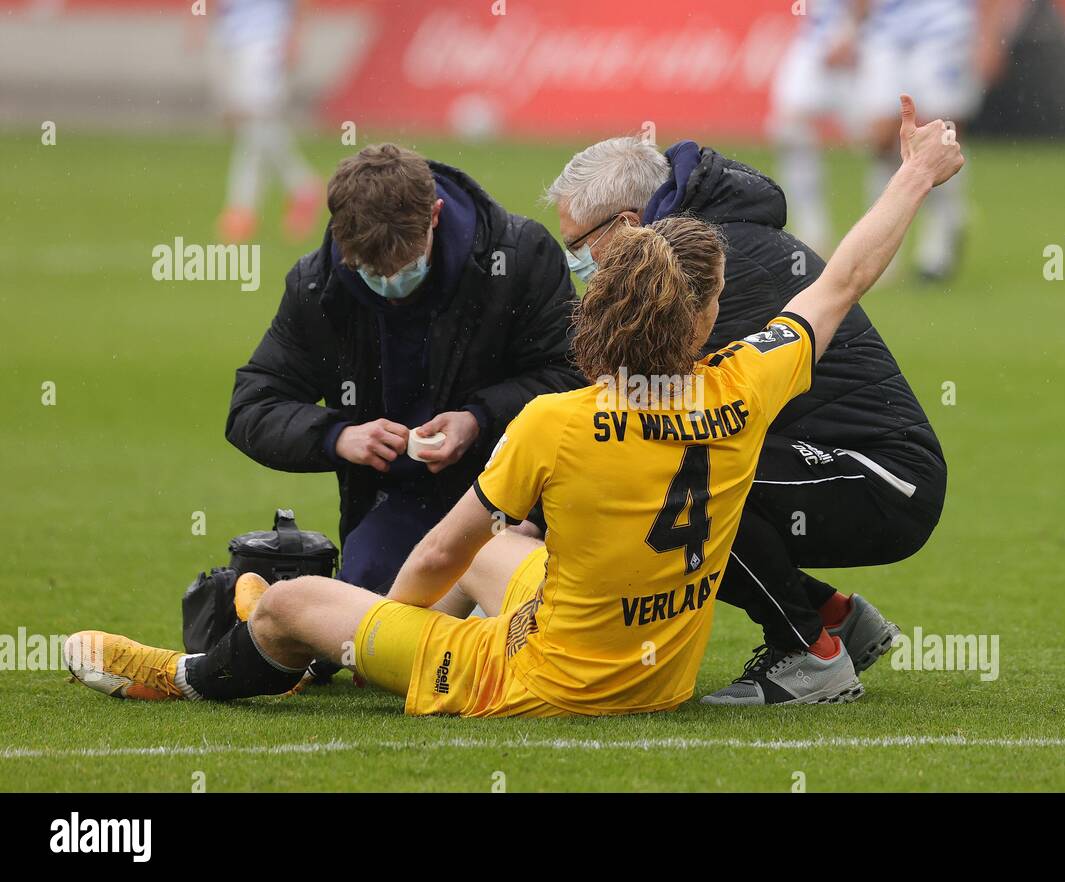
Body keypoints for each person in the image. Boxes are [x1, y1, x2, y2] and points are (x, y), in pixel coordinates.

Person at [65, 97, 965, 717]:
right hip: (663, 672)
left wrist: (381, 629)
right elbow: (843, 277)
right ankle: (822, 622)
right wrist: (917, 173)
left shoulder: (553, 425)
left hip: (542, 678)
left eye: (584, 260)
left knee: (298, 602)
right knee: (515, 551)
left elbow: (437, 553)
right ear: (700, 317)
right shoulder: (740, 382)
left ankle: (189, 673)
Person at [545, 133, 944, 704]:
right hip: (852, 464)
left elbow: (635, 409)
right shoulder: (709, 242)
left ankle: (809, 653)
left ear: (629, 225)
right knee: (670, 477)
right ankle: (834, 619)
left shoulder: (693, 267)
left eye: (578, 245)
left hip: (883, 479)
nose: (578, 264)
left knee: (672, 481)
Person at [225, 143, 584, 678]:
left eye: (405, 267)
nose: (391, 286)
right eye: (370, 271)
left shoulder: (521, 256)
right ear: (341, 240)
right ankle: (290, 628)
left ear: (435, 216)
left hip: (513, 500)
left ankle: (297, 628)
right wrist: (338, 437)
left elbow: (573, 379)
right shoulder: (316, 285)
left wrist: (478, 419)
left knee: (527, 635)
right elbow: (252, 406)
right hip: (397, 503)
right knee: (370, 637)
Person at [770, 0, 1014, 280]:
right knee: (882, 137)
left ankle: (941, 231)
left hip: (942, 28)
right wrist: (850, 28)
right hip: (883, 30)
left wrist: (988, 36)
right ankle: (874, 243)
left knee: (941, 130)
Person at [202, 0, 324, 243]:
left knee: (256, 121)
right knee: (253, 127)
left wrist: (293, 38)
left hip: (266, 41)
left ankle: (242, 208)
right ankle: (302, 188)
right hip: (232, 39)